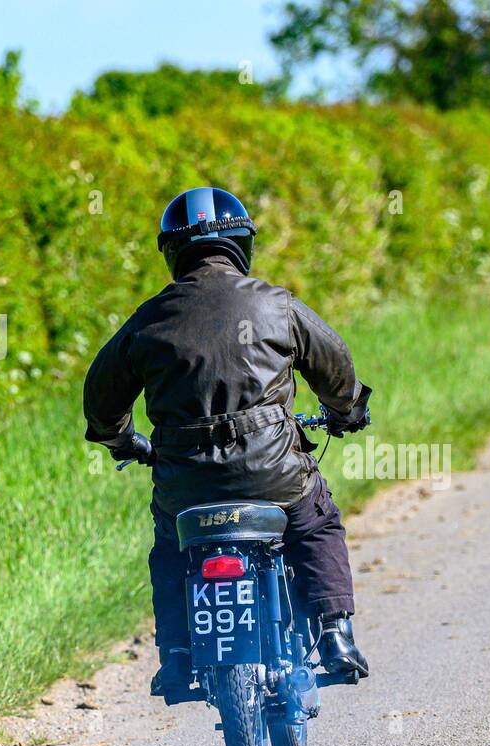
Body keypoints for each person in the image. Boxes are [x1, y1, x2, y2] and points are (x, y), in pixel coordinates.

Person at [82, 186, 371, 702]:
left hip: (184, 483)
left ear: (171, 250)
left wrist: (123, 440)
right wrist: (347, 411)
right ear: (241, 242)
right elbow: (336, 366)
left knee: (172, 550)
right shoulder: (276, 304)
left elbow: (101, 399)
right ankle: (334, 634)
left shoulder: (149, 319)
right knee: (316, 520)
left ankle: (174, 656)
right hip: (275, 471)